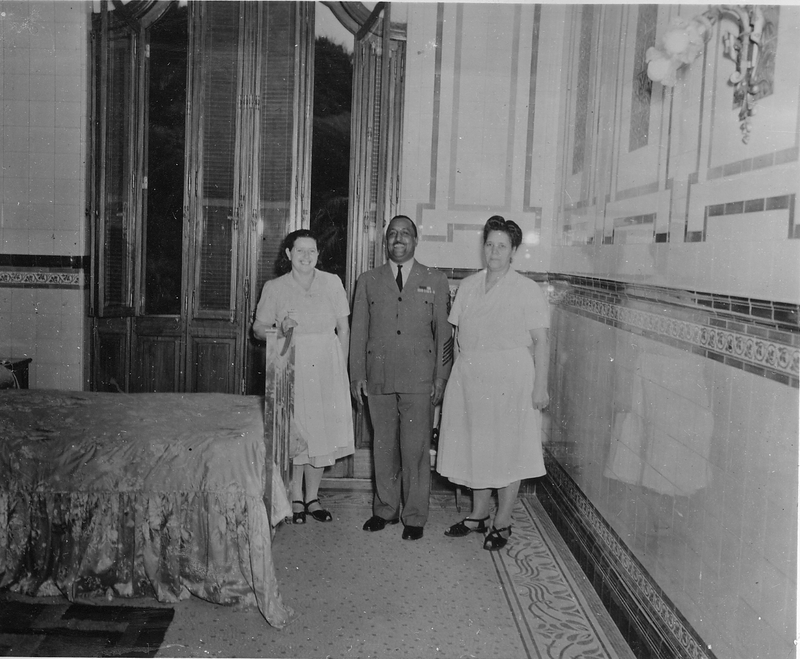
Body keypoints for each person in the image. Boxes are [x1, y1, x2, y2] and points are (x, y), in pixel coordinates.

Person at [436, 216, 550, 551]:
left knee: (507, 449)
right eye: (489, 244)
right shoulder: (469, 286)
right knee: (477, 445)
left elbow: (541, 342)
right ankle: (478, 515)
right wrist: (456, 377)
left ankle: (503, 521)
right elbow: (457, 337)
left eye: (502, 246)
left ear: (514, 250)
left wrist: (540, 388)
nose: (494, 251)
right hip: (470, 375)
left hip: (511, 377)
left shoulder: (526, 289)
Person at [349, 215, 452, 541]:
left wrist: (441, 377)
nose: (398, 239)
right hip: (378, 378)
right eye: (392, 234)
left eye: (405, 234)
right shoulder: (368, 280)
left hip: (420, 381)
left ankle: (415, 517)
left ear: (415, 240)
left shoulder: (434, 280)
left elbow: (444, 336)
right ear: (386, 241)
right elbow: (358, 333)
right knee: (383, 447)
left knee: (416, 450)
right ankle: (385, 510)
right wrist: (357, 375)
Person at [252, 229, 354, 524]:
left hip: (326, 364)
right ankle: (295, 496)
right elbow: (257, 328)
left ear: (318, 254)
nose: (306, 257)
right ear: (288, 254)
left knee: (321, 431)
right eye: (300, 251)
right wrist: (280, 328)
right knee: (298, 431)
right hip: (292, 363)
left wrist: (341, 369)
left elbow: (343, 329)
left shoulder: (331, 282)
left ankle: (313, 497)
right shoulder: (275, 287)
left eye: (312, 251)